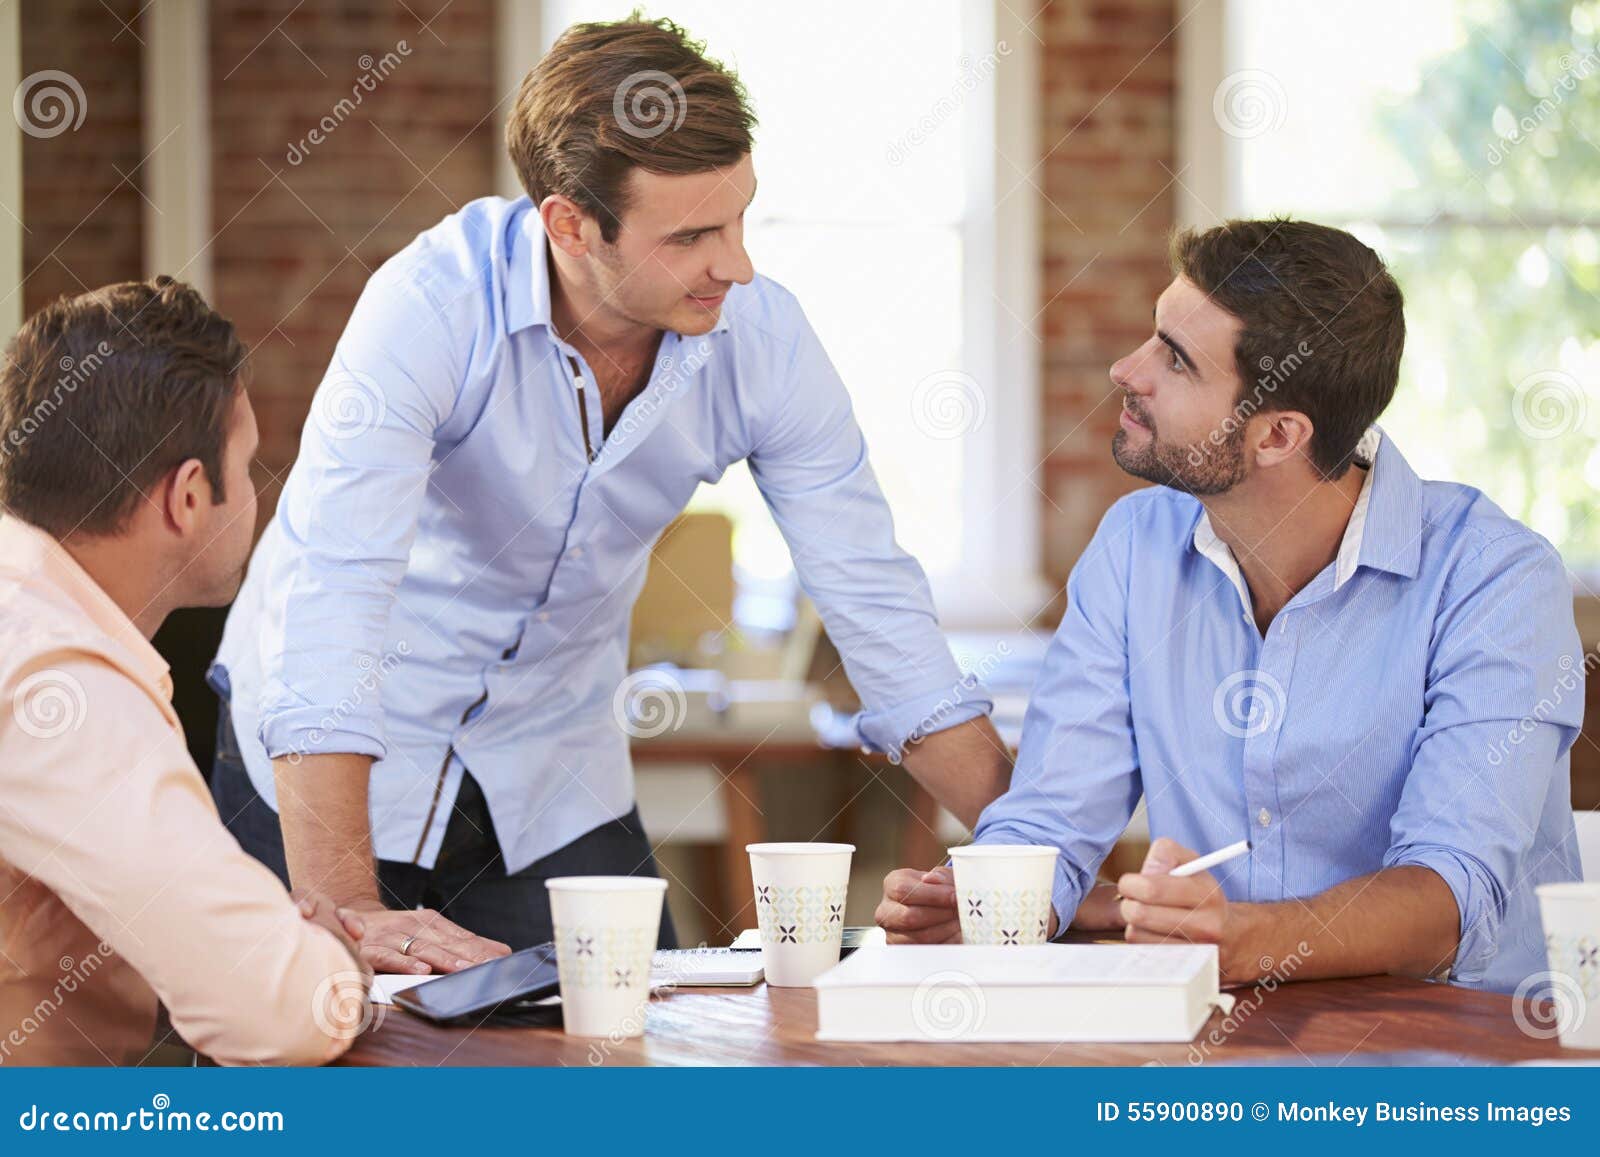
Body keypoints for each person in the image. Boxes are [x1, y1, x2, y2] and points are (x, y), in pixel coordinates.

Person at [209, 15, 1010, 974]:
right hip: (326, 756)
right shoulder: (428, 309)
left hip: (550, 770)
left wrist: (1039, 852)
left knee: (632, 1074)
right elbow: (331, 610)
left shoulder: (761, 339)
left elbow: (878, 607)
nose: (738, 264)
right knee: (327, 1081)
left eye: (741, 218)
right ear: (569, 224)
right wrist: (343, 915)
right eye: (693, 235)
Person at [876, 218, 1583, 993]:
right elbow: (1051, 818)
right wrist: (994, 901)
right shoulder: (1134, 546)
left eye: (1174, 361)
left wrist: (1250, 940)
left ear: (1278, 434)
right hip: (1225, 1035)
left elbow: (1448, 895)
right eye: (1153, 337)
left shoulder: (1495, 579)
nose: (1124, 369)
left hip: (1457, 1058)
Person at [0, 277, 370, 1065]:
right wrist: (325, 954)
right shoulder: (58, 681)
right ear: (190, 497)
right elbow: (286, 1012)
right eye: (249, 465)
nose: (255, 497)